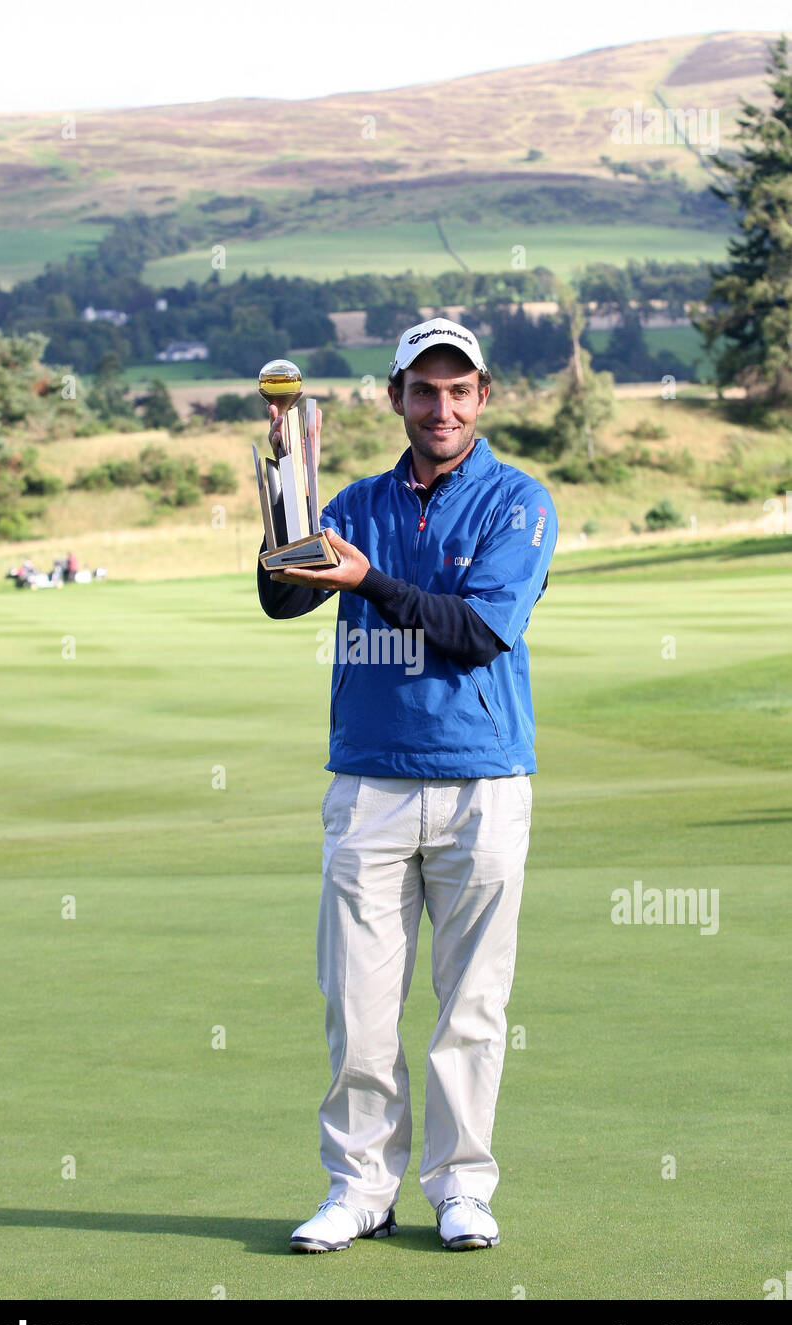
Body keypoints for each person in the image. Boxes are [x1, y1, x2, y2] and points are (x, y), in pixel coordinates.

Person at [256, 318, 558, 1253]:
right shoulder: (353, 499)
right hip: (371, 783)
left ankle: (462, 1189)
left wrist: (372, 579)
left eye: (458, 390)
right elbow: (283, 594)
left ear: (483, 395)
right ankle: (359, 1189)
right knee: (358, 1006)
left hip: (483, 781)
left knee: (471, 1008)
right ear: (395, 398)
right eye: (423, 390)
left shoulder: (519, 502)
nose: (441, 407)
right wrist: (284, 493)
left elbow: (475, 632)